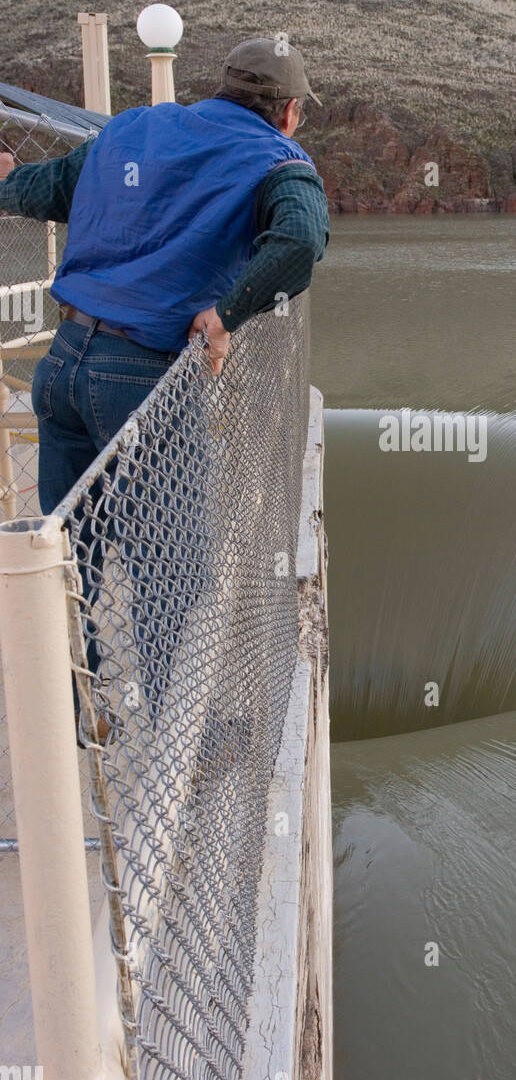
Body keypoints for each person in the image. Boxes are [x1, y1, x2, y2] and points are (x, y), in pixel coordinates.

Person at [0, 37, 330, 738]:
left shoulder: (134, 128)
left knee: (70, 548)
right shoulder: (278, 161)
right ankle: (180, 736)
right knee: (170, 563)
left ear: (222, 88)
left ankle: (73, 712)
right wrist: (225, 314)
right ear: (290, 111)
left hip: (60, 367)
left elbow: (48, 189)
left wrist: (4, 182)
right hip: (144, 377)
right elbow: (299, 243)